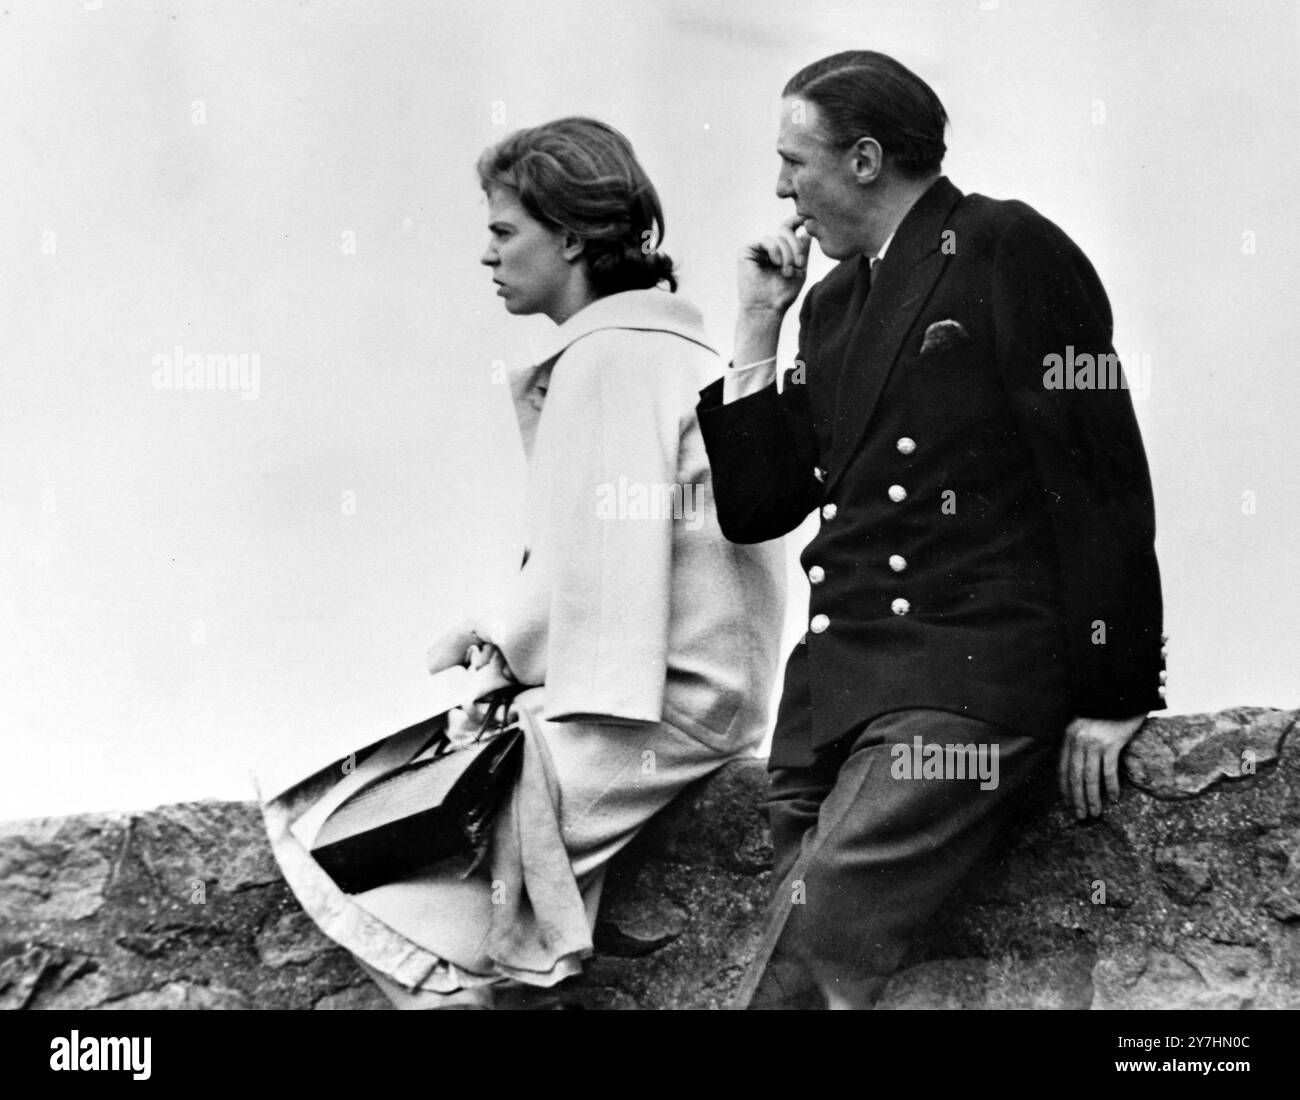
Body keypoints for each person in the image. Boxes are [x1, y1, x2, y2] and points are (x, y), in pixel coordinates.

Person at [262, 117, 785, 1008]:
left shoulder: (610, 360)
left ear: (573, 237)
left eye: (504, 232)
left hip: (666, 699)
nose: (488, 256)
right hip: (676, 679)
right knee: (487, 904)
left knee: (391, 884)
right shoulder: (654, 347)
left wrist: (503, 650)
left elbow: (608, 556)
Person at [696, 50, 1167, 1009]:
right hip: (836, 697)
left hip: (963, 682)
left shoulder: (1006, 247)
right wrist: (757, 329)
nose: (782, 191)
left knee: (811, 953)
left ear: (866, 159)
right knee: (806, 944)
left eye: (795, 162)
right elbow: (759, 508)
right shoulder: (830, 304)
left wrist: (1118, 687)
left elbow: (1100, 474)